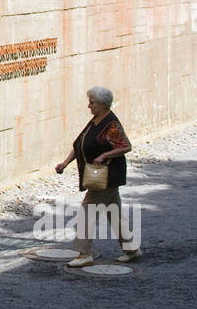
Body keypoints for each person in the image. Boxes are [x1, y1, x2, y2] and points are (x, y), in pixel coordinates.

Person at [54, 85, 140, 268]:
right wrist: (65, 163)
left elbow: (126, 146)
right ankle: (132, 249)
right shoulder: (95, 121)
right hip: (101, 175)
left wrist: (104, 155)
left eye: (92, 103)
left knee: (87, 212)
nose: (89, 106)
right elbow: (79, 144)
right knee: (114, 213)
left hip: (106, 176)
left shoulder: (111, 124)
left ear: (102, 104)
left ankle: (84, 254)